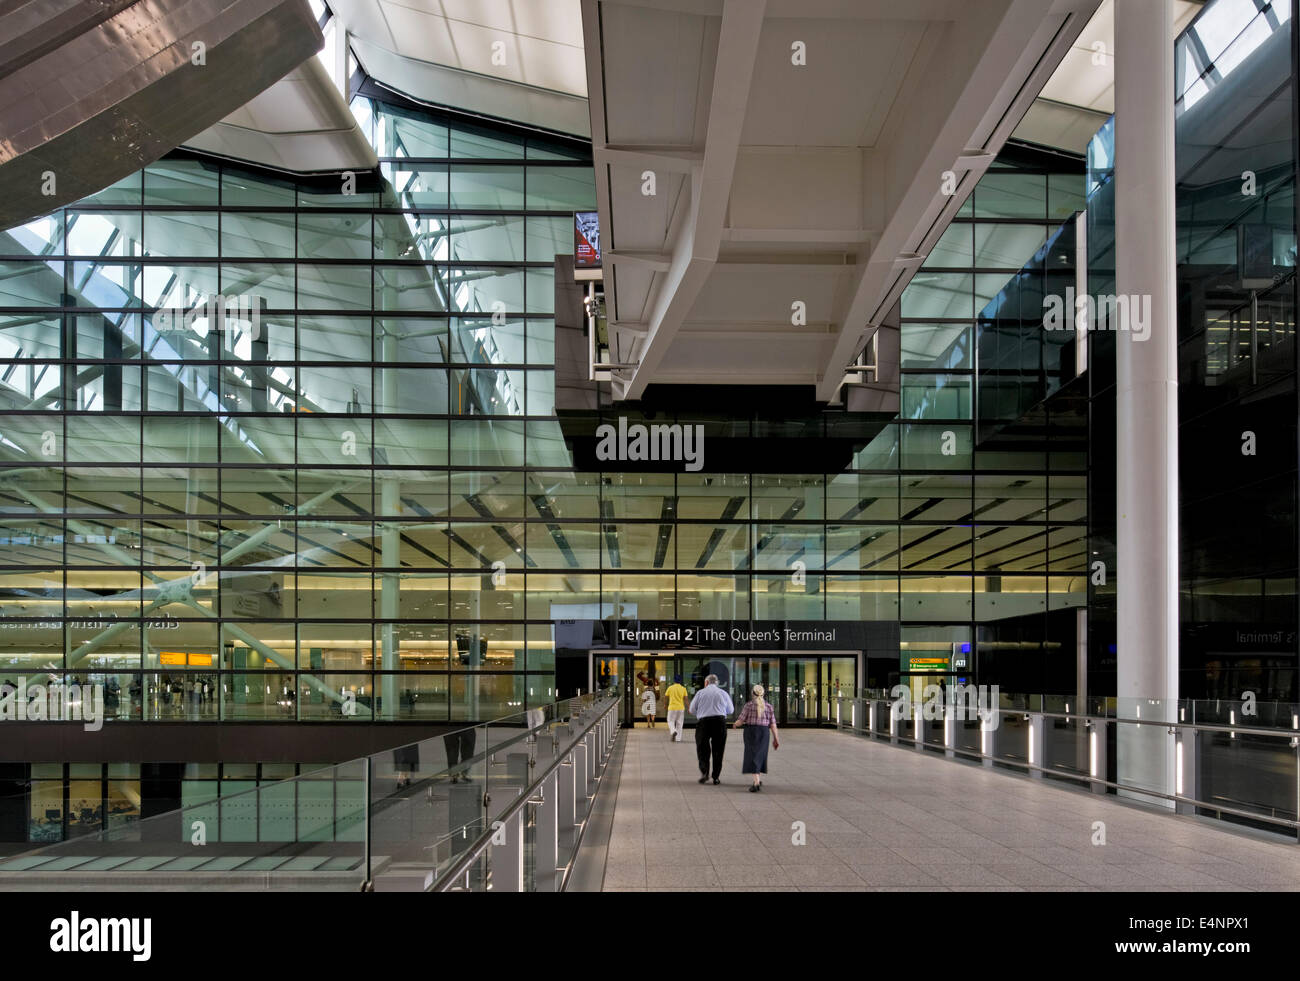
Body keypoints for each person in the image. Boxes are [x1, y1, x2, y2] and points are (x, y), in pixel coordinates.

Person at [733, 684, 779, 792]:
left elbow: (741, 720)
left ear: (752, 693)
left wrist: (735, 724)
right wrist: (776, 738)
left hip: (751, 732)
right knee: (759, 755)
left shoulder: (748, 705)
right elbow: (773, 724)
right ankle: (758, 777)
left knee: (752, 755)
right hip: (764, 733)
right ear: (763, 694)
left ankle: (756, 782)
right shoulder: (769, 706)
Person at [689, 674, 733, 784]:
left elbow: (692, 710)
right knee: (718, 750)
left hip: (703, 723)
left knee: (702, 749)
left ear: (706, 682)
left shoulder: (700, 693)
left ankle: (705, 773)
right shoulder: (723, 693)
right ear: (717, 683)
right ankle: (716, 777)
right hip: (720, 722)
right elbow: (730, 710)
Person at [664, 675, 689, 742]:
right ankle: (678, 739)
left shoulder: (670, 688)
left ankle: (673, 731)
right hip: (681, 708)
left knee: (670, 721)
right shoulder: (683, 688)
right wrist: (689, 708)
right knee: (679, 723)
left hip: (672, 707)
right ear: (680, 681)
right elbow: (686, 699)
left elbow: (666, 697)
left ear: (674, 680)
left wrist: (665, 705)